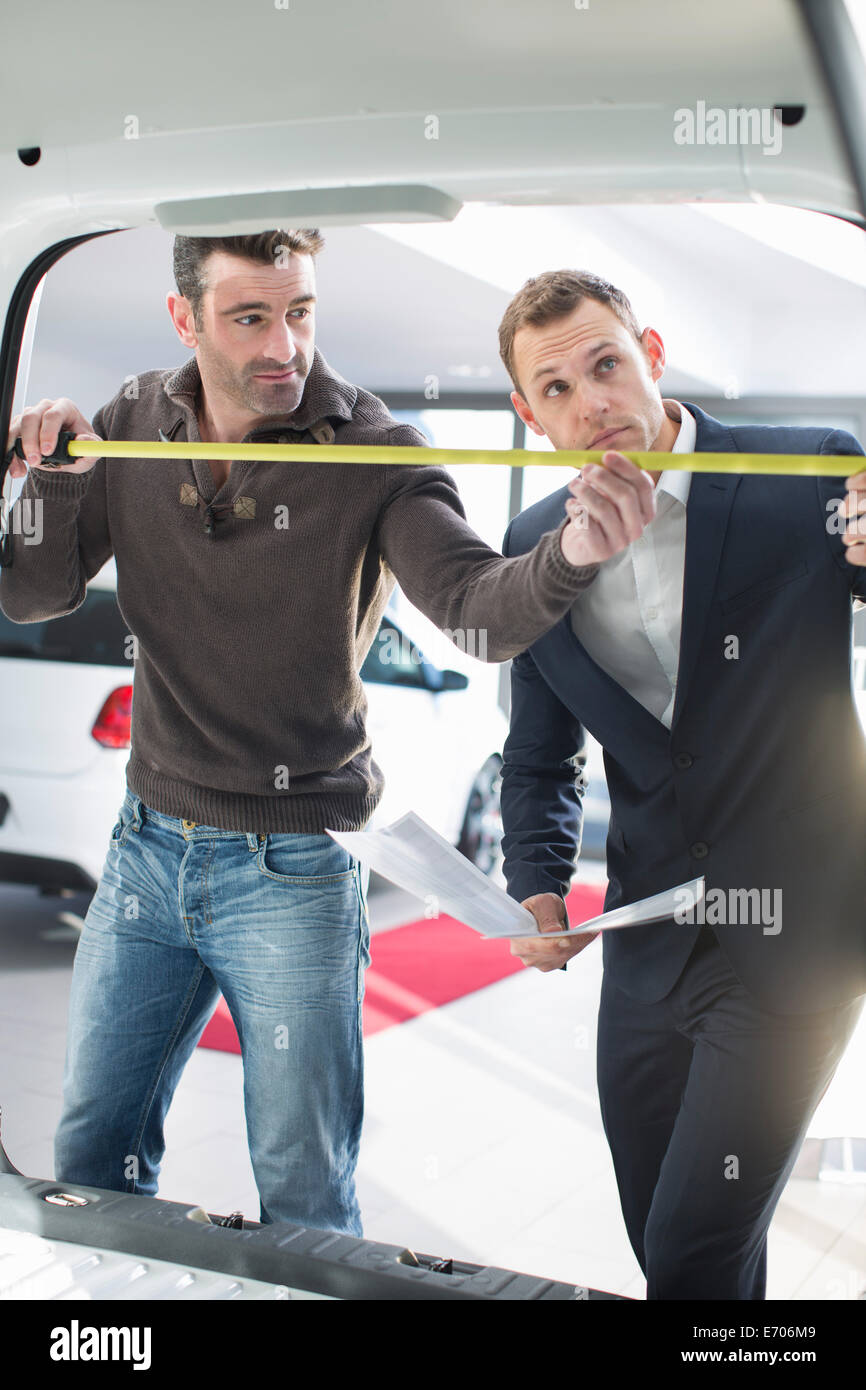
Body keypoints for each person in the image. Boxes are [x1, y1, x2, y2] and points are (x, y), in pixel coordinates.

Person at [0, 233, 654, 1237]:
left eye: (299, 311)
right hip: (144, 850)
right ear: (186, 320)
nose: (283, 347)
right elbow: (34, 593)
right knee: (91, 1156)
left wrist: (570, 551)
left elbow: (478, 615)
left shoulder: (376, 455)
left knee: (304, 1185)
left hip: (293, 867)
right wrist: (47, 476)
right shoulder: (132, 420)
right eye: (249, 318)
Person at [497, 268, 866, 1300]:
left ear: (649, 355)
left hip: (798, 935)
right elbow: (537, 756)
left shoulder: (806, 470)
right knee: (662, 1235)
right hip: (646, 948)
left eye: (604, 365)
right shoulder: (532, 547)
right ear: (528, 414)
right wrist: (536, 886)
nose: (592, 404)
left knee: (691, 1254)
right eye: (556, 390)